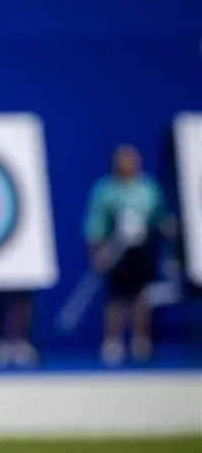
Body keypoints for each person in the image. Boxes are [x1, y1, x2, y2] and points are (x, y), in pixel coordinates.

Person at [83, 144, 168, 366]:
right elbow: (96, 224)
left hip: (142, 250)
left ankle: (141, 341)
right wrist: (97, 250)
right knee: (116, 297)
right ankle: (112, 343)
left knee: (142, 295)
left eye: (131, 159)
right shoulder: (105, 190)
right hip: (115, 250)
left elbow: (159, 219)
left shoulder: (149, 188)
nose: (127, 164)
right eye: (123, 160)